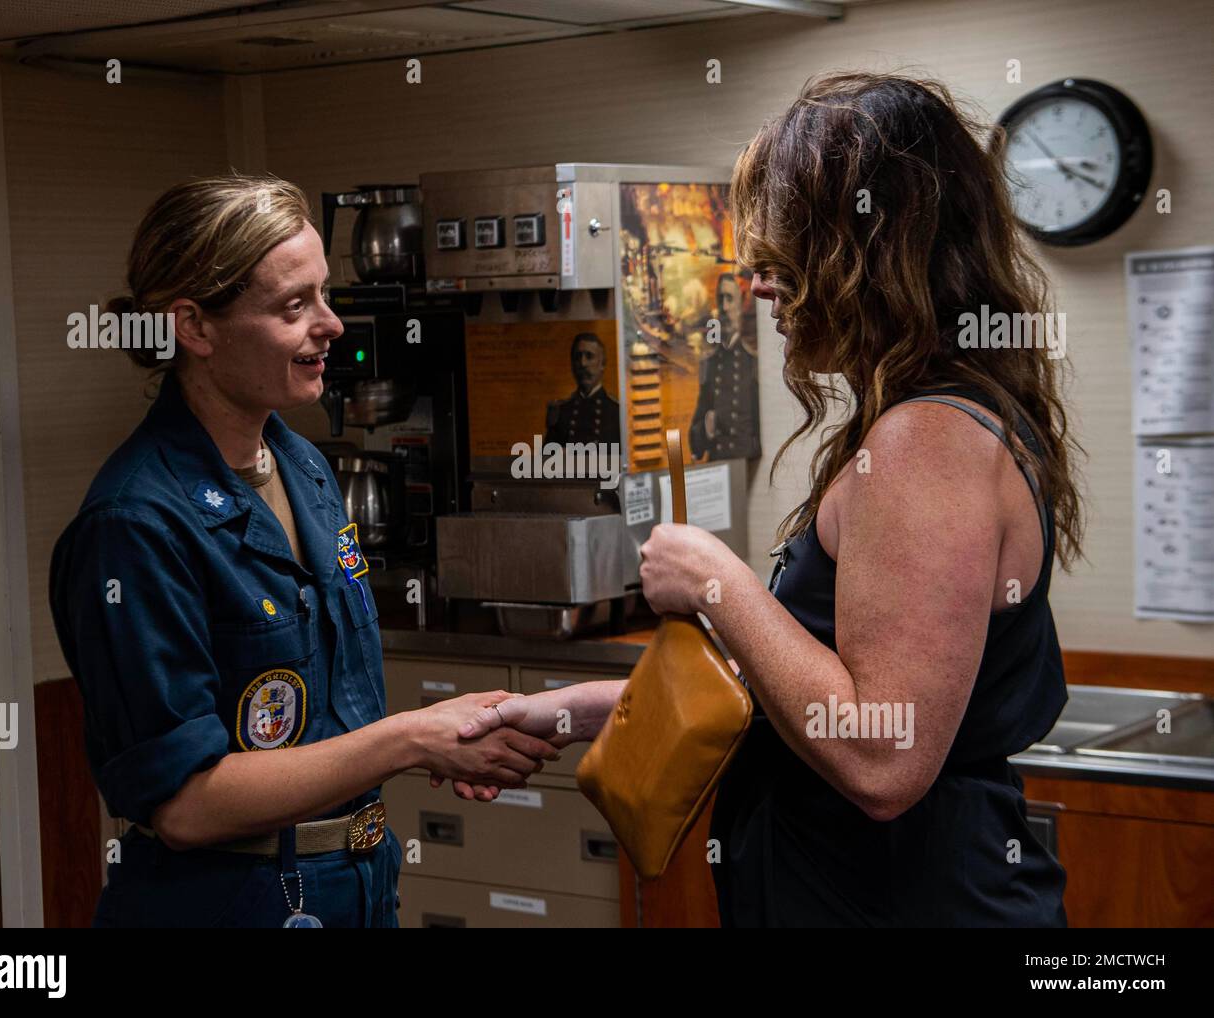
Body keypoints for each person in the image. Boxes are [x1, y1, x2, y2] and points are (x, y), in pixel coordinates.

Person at [442, 72, 1083, 928]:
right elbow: (801, 691)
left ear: (868, 251)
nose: (758, 285)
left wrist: (715, 578)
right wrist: (562, 713)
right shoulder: (926, 422)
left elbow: (881, 758)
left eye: (787, 256)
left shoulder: (926, 441)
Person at [50, 175, 558, 928]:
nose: (332, 326)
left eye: (325, 295)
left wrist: (448, 739)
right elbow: (186, 805)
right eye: (295, 306)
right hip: (228, 904)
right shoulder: (135, 524)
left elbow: (330, 720)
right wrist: (412, 740)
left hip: (353, 881)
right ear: (194, 326)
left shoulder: (306, 469)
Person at [689, 273, 761, 461]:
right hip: (718, 464)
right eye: (720, 299)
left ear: (742, 303)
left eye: (730, 298)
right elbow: (694, 442)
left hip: (746, 464)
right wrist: (705, 427)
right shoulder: (711, 362)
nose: (724, 307)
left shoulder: (752, 360)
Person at [544, 332, 621, 446]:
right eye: (577, 357)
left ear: (602, 364)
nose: (583, 363)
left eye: (589, 356)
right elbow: (547, 459)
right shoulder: (560, 410)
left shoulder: (617, 412)